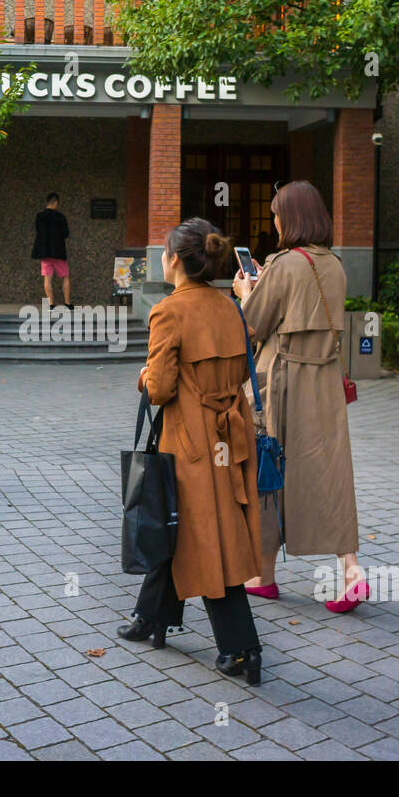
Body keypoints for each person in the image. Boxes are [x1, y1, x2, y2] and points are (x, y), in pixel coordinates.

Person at [117, 217, 264, 685]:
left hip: (190, 440)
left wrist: (142, 376)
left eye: (163, 252)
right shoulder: (229, 308)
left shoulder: (169, 311)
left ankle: (242, 648)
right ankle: (151, 616)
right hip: (229, 435)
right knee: (179, 523)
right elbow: (242, 371)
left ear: (175, 260)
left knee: (206, 536)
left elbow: (159, 388)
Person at [232, 181, 364, 612]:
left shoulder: (285, 264)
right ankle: (351, 569)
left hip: (284, 380)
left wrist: (245, 294)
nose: (273, 222)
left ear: (289, 219)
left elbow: (253, 325)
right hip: (324, 381)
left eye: (275, 215)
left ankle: (263, 574)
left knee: (269, 470)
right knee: (330, 471)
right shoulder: (335, 264)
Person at [31, 192, 70, 309]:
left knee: (47, 278)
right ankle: (67, 303)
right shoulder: (61, 217)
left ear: (47, 203)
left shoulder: (39, 216)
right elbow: (66, 234)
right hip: (58, 252)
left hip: (44, 252)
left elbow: (38, 230)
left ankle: (51, 304)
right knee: (65, 277)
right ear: (56, 203)